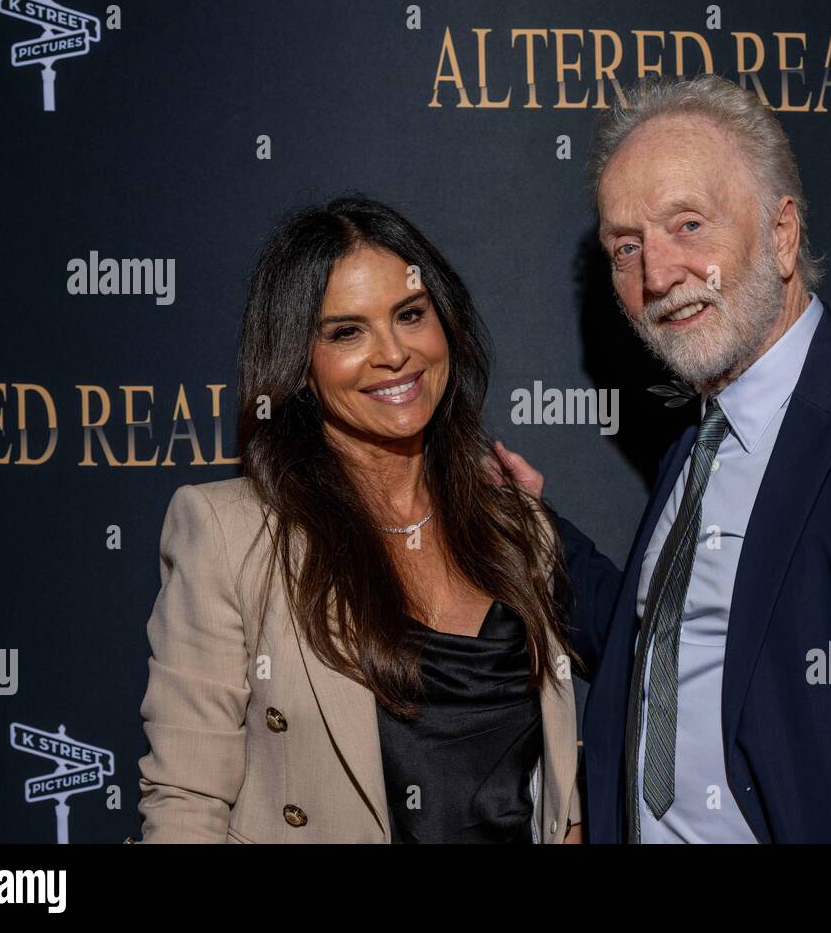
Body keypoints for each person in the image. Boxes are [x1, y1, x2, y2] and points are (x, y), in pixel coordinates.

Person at [497, 73, 831, 843]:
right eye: (626, 247)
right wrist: (528, 533)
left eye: (688, 225)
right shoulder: (699, 439)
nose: (657, 275)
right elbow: (666, 649)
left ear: (783, 233)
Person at [134, 194, 584, 843]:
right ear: (301, 367)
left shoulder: (519, 530)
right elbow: (186, 804)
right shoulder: (229, 535)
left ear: (445, 326)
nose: (393, 353)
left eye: (409, 314)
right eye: (347, 331)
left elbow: (557, 796)